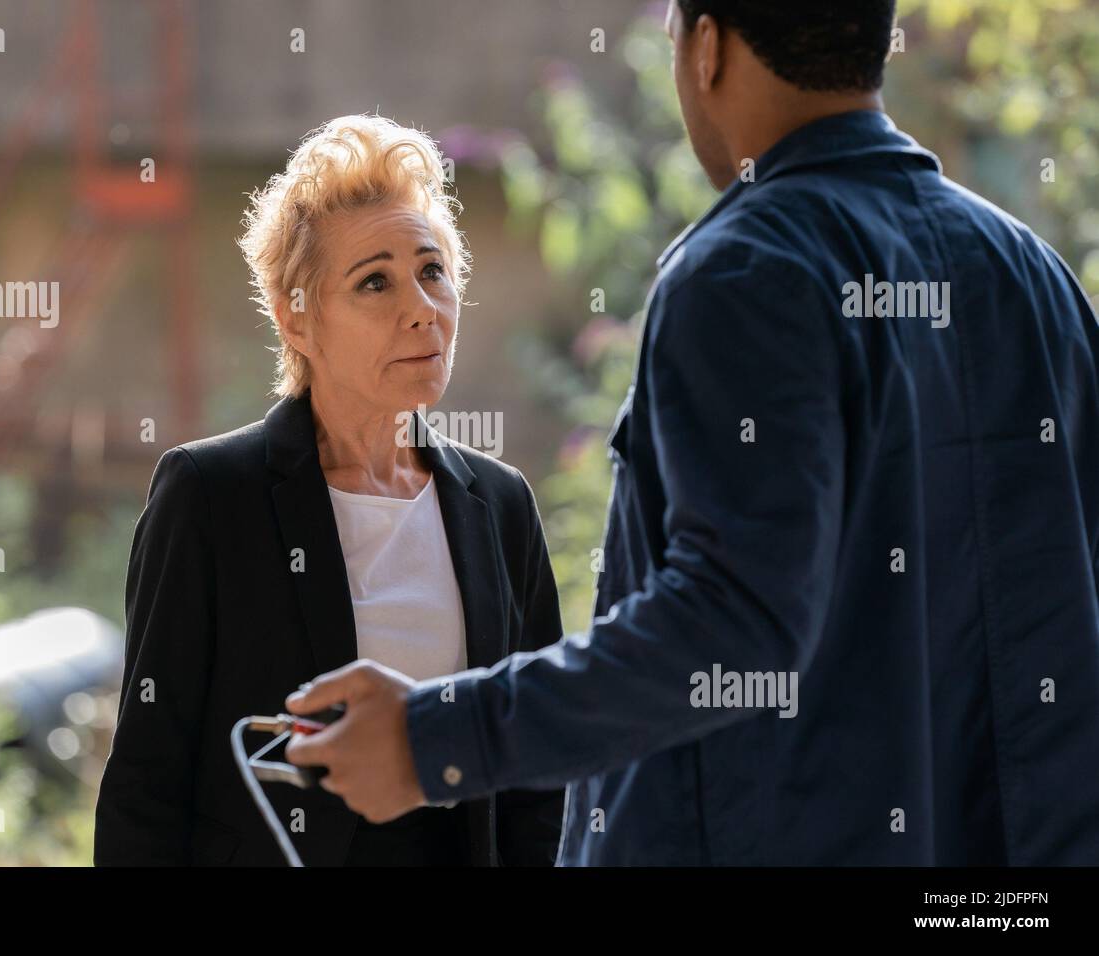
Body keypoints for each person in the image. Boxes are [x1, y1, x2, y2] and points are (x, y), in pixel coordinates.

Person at [284, 0, 1099, 865]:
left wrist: (434, 738)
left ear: (708, 47)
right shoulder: (1031, 278)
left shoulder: (749, 267)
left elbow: (729, 617)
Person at [94, 115, 565, 866]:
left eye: (433, 269)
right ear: (297, 317)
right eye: (374, 281)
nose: (421, 306)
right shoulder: (210, 496)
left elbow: (539, 783)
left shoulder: (501, 506)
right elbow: (147, 784)